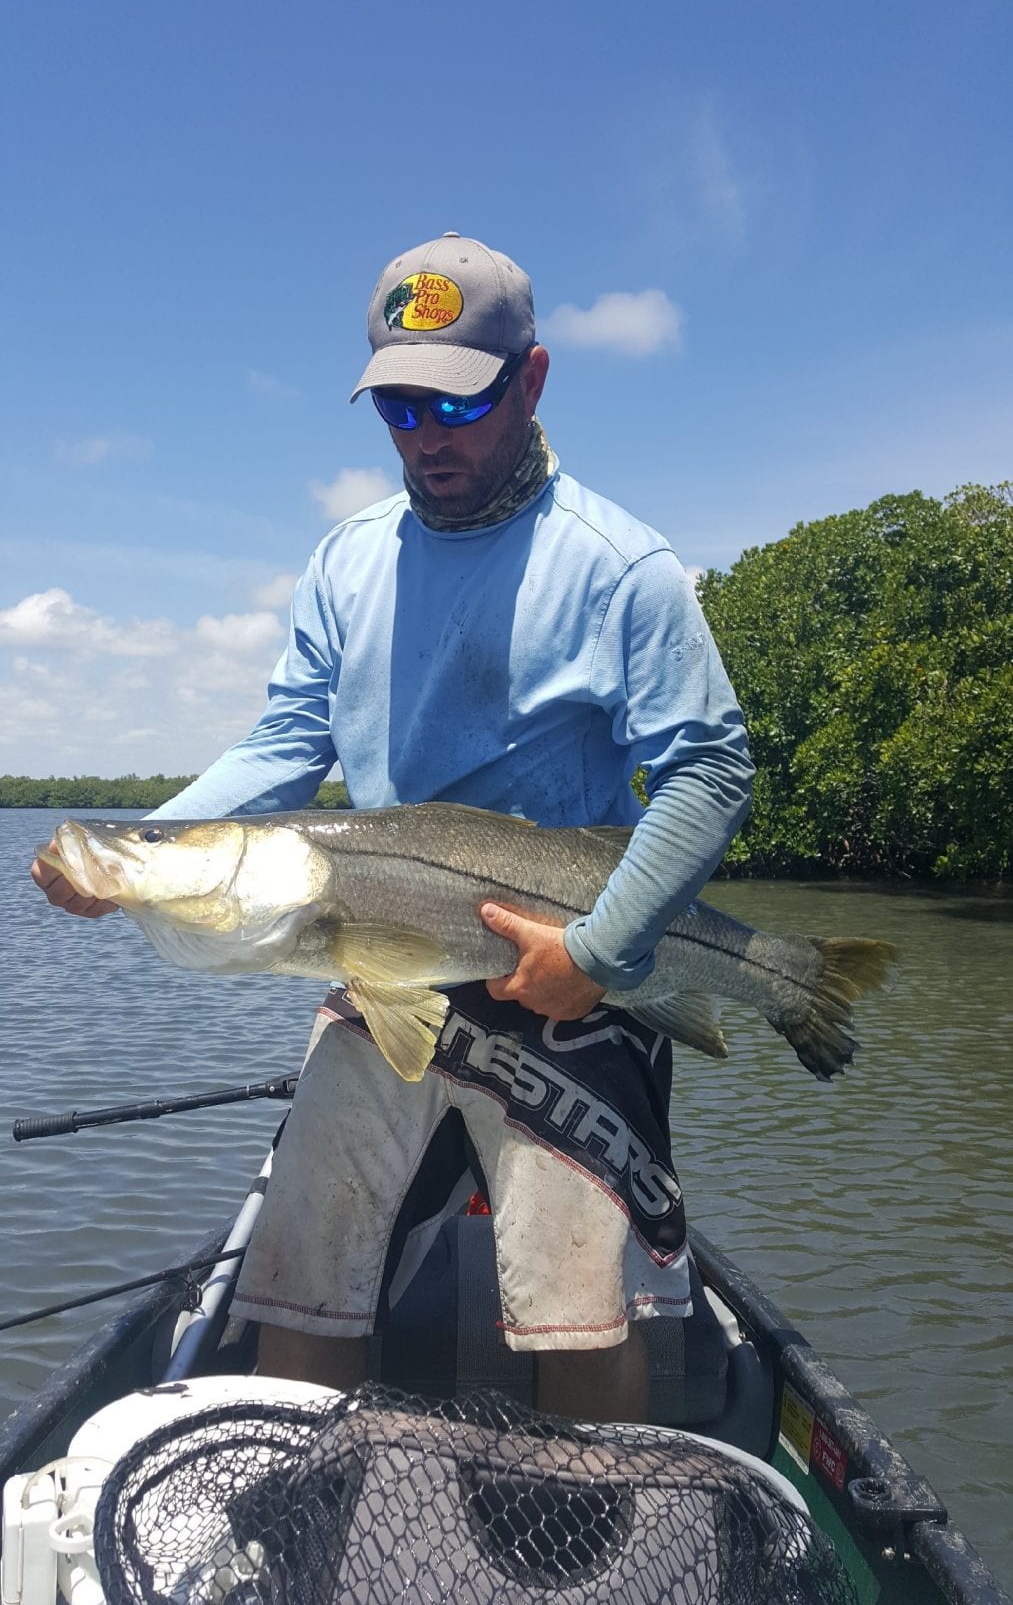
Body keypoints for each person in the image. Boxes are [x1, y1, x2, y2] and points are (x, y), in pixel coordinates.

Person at [33, 233, 754, 1421]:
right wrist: (141, 850)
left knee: (574, 1302)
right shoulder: (344, 562)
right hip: (379, 951)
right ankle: (284, 1519)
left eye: (457, 404)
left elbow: (709, 771)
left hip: (565, 972)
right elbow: (283, 747)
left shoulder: (623, 568)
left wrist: (599, 955)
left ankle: (596, 1545)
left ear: (529, 381)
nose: (426, 438)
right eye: (398, 408)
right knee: (298, 1279)